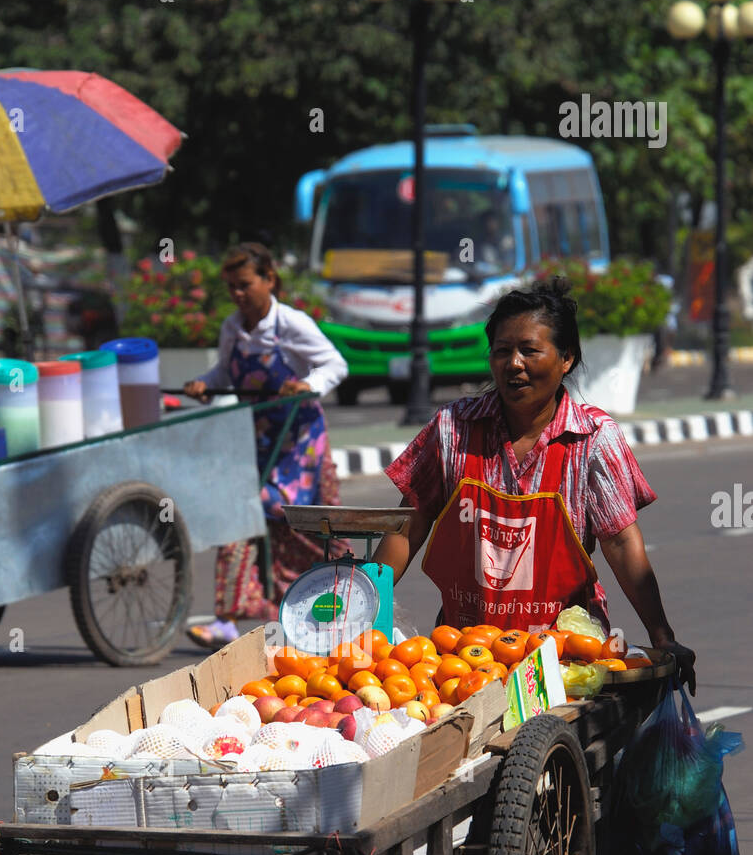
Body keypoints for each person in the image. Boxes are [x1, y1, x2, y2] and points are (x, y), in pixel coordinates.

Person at [373, 275, 696, 693]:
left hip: (567, 653)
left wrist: (661, 635)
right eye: (503, 351)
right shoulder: (453, 428)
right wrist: (363, 606)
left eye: (530, 350)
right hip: (465, 655)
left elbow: (620, 542)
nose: (515, 364)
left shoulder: (594, 438)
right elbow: (409, 524)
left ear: (567, 359)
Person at [184, 242, 350, 649]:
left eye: (245, 285)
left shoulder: (291, 324)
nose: (238, 296)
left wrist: (307, 385)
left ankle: (326, 607)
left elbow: (335, 365)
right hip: (257, 437)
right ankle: (229, 617)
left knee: (297, 524)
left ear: (269, 279)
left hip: (299, 441)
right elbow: (225, 370)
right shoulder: (232, 328)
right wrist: (206, 384)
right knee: (240, 514)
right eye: (232, 289)